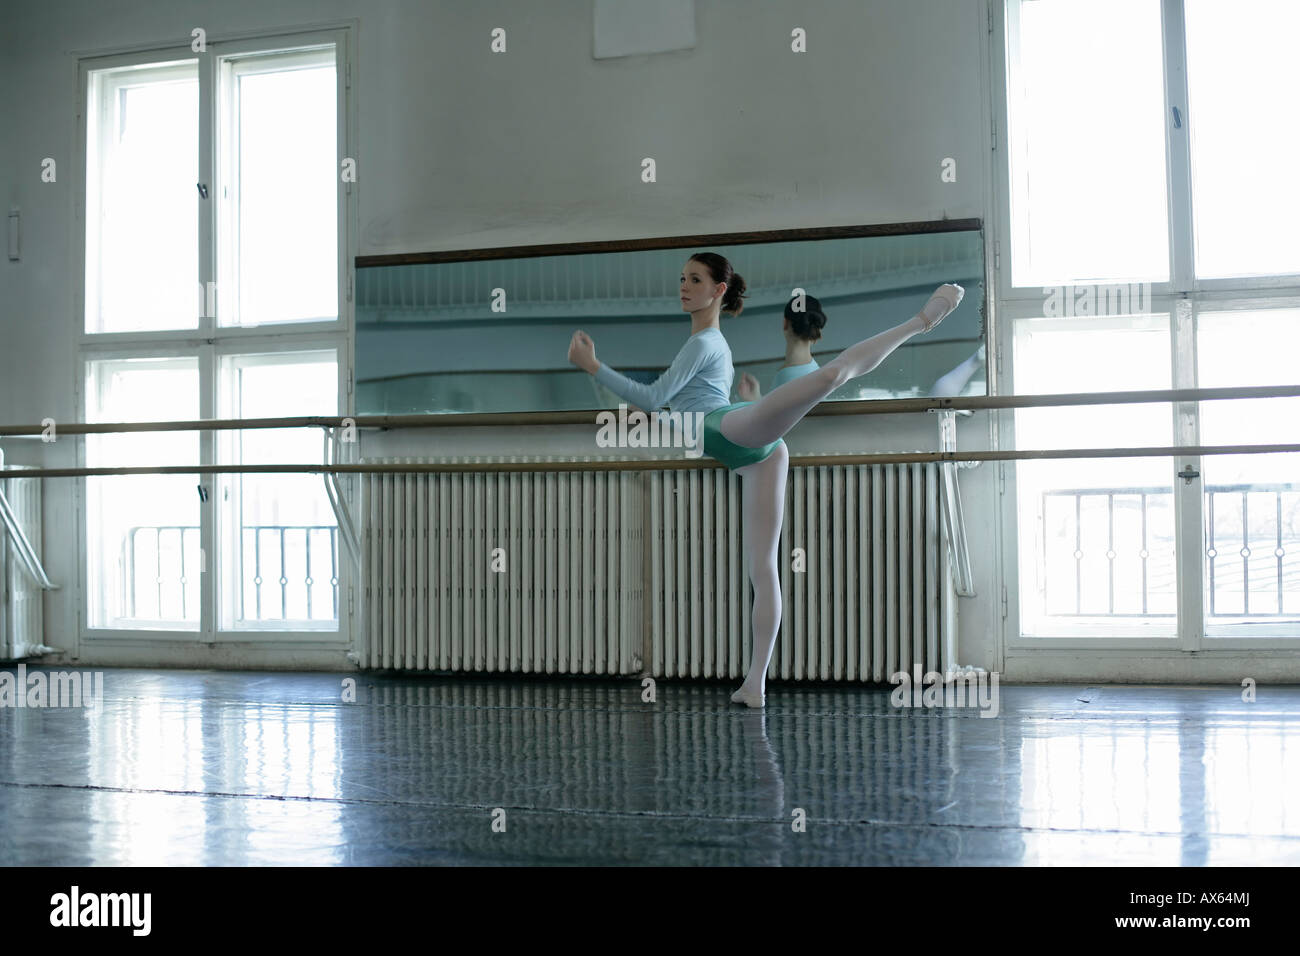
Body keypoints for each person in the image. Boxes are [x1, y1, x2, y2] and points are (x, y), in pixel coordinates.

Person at [568, 252, 963, 707]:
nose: (683, 286)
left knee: (832, 374)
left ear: (717, 290)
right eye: (681, 278)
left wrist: (593, 366)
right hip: (753, 444)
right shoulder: (706, 344)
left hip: (736, 431)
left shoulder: (703, 343)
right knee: (763, 568)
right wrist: (675, 414)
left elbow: (657, 397)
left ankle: (922, 321)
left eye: (694, 279)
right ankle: (755, 683)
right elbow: (683, 405)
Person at [736, 293, 827, 402]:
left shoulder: (786, 377)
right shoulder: (815, 371)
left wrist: (753, 401)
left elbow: (770, 417)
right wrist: (756, 398)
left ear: (785, 323)